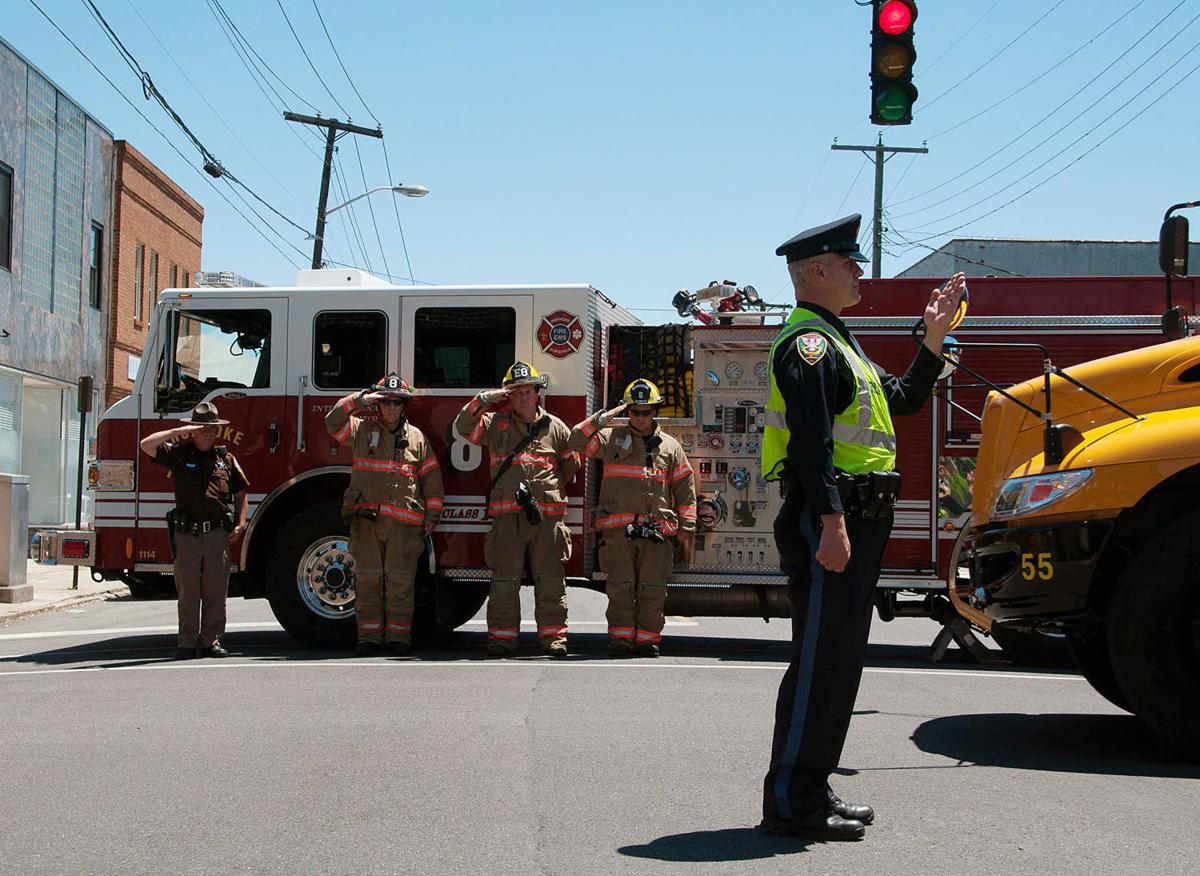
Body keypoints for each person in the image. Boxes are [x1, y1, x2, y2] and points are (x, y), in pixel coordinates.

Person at [759, 214, 966, 840]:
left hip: (857, 516)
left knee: (840, 661)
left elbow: (901, 399)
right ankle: (792, 803)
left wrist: (932, 338)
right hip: (835, 515)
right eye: (849, 262)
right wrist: (830, 522)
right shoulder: (808, 345)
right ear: (815, 271)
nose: (860, 270)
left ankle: (811, 789)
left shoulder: (841, 342)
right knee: (821, 662)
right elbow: (812, 446)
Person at [454, 361, 579, 657]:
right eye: (517, 392)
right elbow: (462, 427)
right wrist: (485, 399)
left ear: (538, 394)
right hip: (507, 520)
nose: (523, 397)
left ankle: (554, 641)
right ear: (508, 396)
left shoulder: (556, 427)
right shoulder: (495, 425)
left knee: (550, 581)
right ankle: (502, 640)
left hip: (547, 521)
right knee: (504, 582)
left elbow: (571, 466)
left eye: (528, 391)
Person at [568, 379, 696, 657]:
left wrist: (687, 527)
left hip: (658, 534)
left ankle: (648, 641)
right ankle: (621, 640)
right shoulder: (610, 438)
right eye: (634, 411)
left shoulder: (670, 446)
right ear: (627, 412)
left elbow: (685, 488)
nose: (640, 417)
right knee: (620, 588)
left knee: (653, 589)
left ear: (654, 411)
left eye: (646, 411)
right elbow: (575, 439)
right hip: (618, 532)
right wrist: (604, 418)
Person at [325, 372, 444, 656]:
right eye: (386, 402)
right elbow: (332, 421)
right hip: (366, 523)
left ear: (404, 406)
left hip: (405, 527)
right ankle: (368, 638)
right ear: (377, 404)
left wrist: (433, 515)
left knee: (400, 582)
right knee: (367, 580)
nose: (391, 407)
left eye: (397, 402)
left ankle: (398, 639)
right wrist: (359, 400)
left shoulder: (417, 439)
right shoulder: (360, 431)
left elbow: (431, 478)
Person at [139, 401, 248, 660]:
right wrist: (177, 433)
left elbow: (241, 494)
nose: (207, 434)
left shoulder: (226, 460)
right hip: (187, 535)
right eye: (202, 429)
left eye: (211, 429)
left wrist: (241, 524)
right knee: (188, 591)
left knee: (215, 591)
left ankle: (211, 641)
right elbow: (146, 444)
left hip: (216, 535)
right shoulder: (178, 454)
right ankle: (187, 643)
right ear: (193, 430)